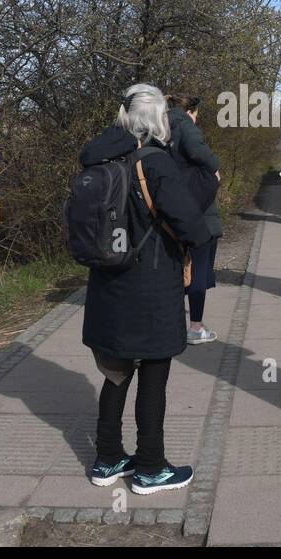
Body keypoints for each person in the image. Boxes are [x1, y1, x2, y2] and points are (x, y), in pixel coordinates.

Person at [79, 83, 211, 494]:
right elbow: (191, 224)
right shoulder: (156, 162)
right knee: (154, 375)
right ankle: (151, 467)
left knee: (115, 374)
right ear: (158, 119)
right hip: (152, 285)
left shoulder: (97, 159)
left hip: (107, 284)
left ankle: (107, 459)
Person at [166, 92, 222, 344]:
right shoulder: (185, 126)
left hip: (170, 208)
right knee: (198, 268)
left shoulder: (158, 129)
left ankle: (169, 323)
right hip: (198, 210)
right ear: (190, 111)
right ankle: (195, 328)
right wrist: (214, 171)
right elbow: (205, 157)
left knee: (175, 268)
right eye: (197, 114)